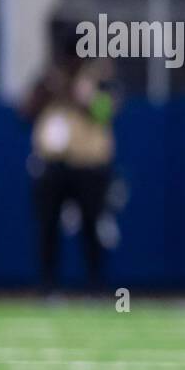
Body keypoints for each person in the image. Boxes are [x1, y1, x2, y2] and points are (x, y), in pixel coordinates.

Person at [24, 50, 118, 292]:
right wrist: (49, 89)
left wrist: (83, 96)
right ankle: (48, 286)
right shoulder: (49, 77)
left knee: (92, 224)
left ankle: (95, 285)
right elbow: (25, 112)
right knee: (48, 225)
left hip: (89, 163)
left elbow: (106, 114)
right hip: (53, 162)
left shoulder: (98, 77)